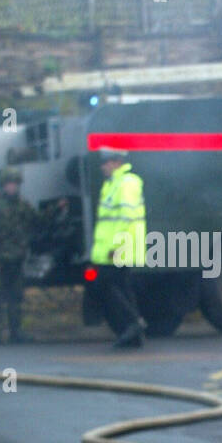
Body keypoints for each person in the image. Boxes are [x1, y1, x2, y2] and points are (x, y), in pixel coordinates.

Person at [90, 148, 147, 348]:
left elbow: (126, 218)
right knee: (122, 286)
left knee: (108, 284)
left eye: (106, 163)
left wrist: (117, 246)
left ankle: (134, 323)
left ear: (116, 162)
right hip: (112, 249)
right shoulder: (112, 184)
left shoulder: (126, 183)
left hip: (120, 248)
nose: (103, 167)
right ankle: (133, 335)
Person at [0, 167, 38, 343]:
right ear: (3, 185)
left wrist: (56, 210)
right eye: (9, 184)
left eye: (15, 184)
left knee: (16, 296)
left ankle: (16, 331)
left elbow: (36, 220)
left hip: (16, 258)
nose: (12, 187)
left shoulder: (23, 205)